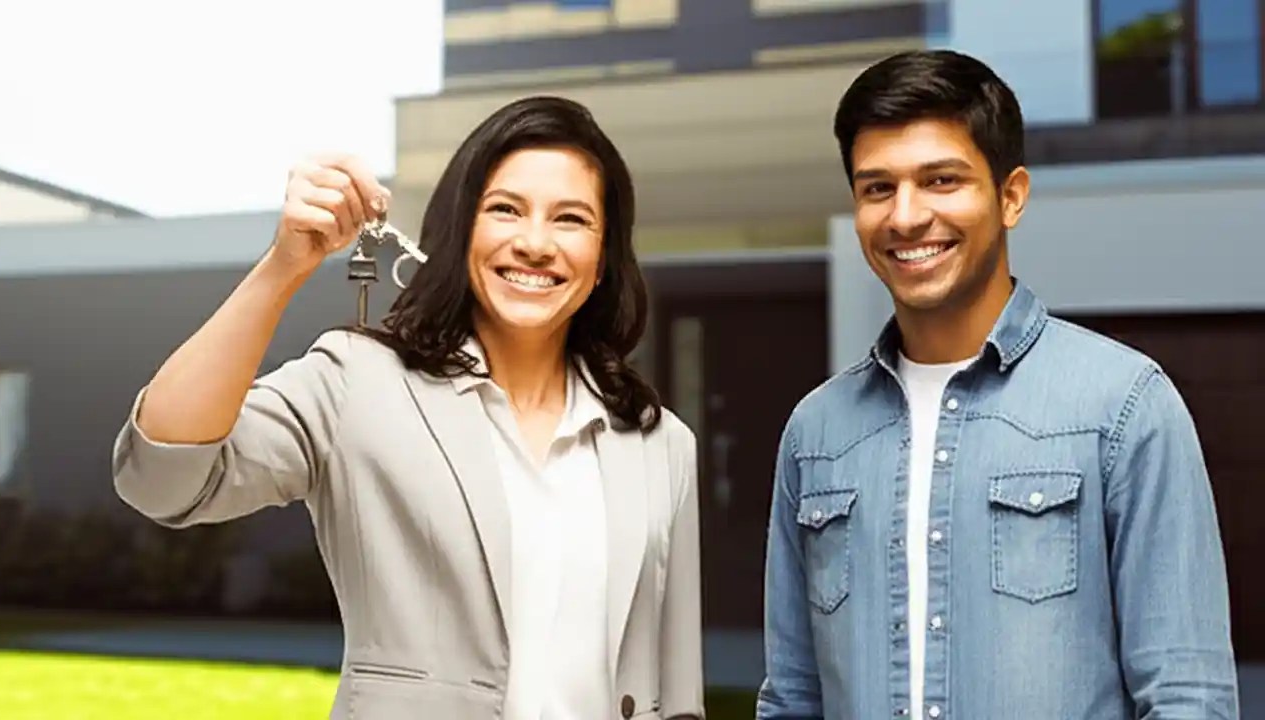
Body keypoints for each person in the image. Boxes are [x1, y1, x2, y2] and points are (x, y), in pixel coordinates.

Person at [112, 96, 704, 720]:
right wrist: (285, 267)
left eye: (571, 219)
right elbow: (164, 478)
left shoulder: (663, 445)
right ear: (459, 229)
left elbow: (677, 691)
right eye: (505, 209)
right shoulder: (358, 381)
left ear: (605, 253)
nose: (534, 243)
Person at [757, 50, 1238, 719]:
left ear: (1010, 196)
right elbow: (792, 698)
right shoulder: (817, 431)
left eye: (941, 180)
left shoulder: (1123, 406)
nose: (906, 216)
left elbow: (1189, 699)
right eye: (877, 188)